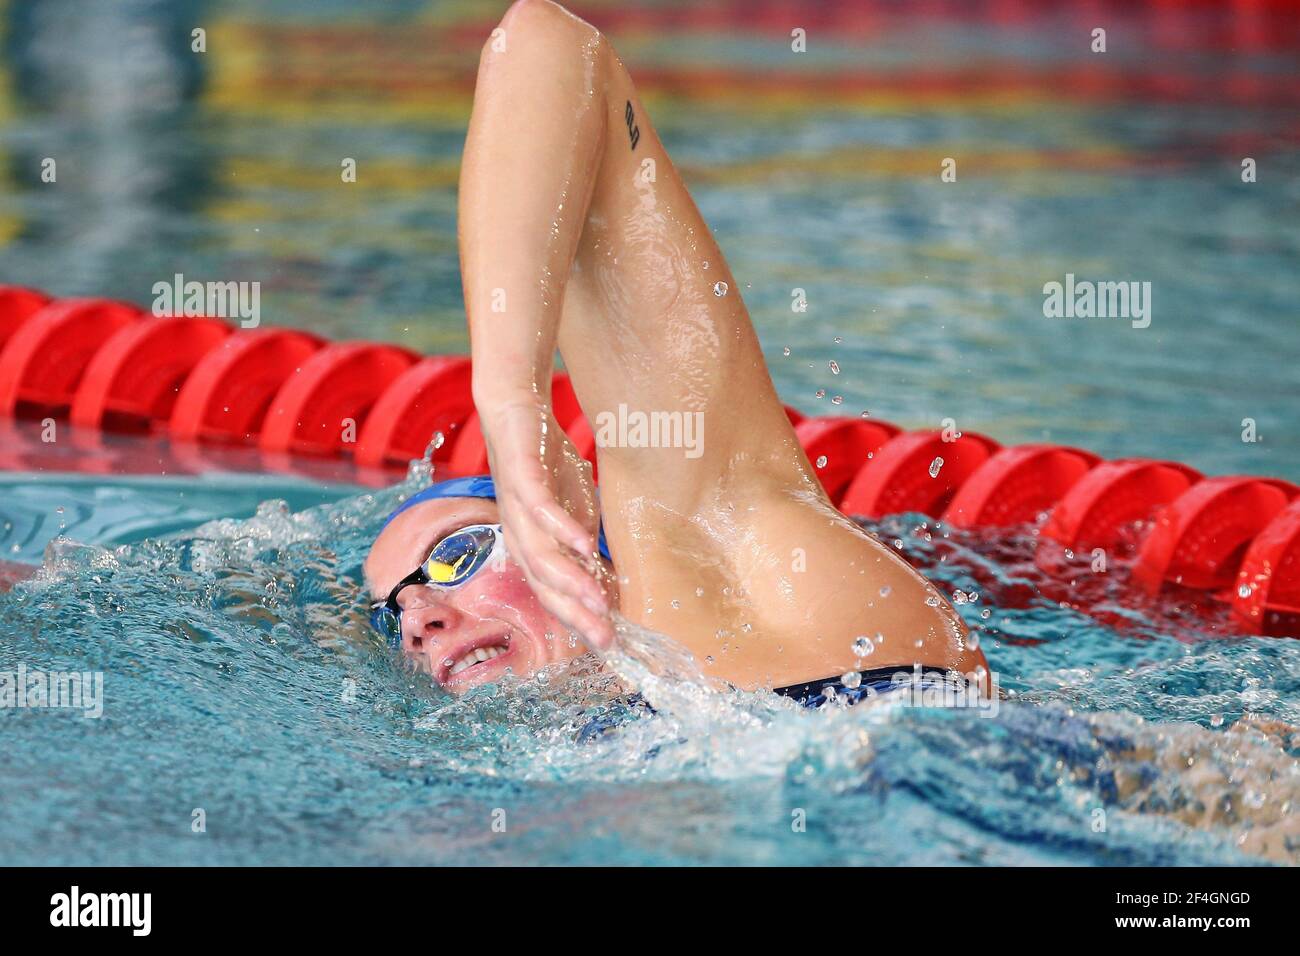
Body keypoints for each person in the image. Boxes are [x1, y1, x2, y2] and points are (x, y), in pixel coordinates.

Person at [363, 0, 988, 702]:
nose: (416, 619)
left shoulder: (730, 561)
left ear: (572, 526)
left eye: (454, 556)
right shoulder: (564, 767)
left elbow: (547, 46)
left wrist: (512, 406)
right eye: (393, 617)